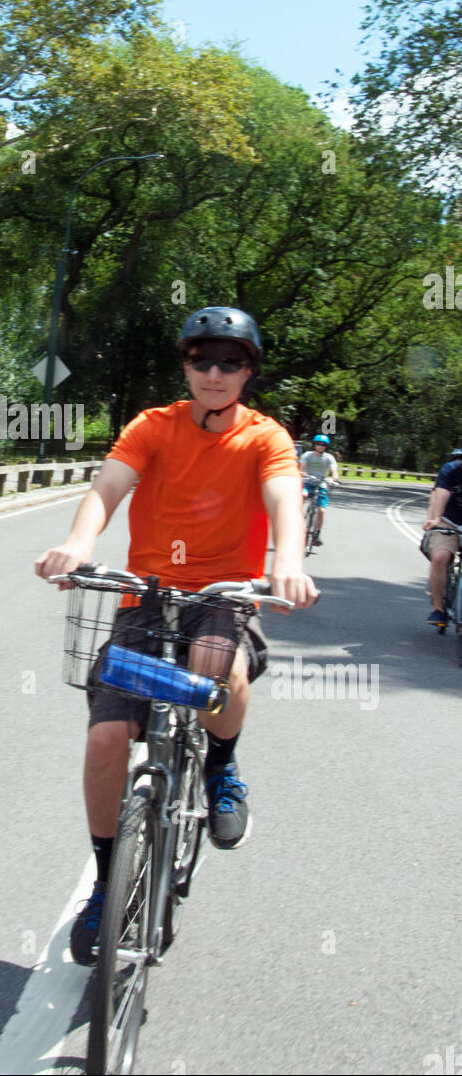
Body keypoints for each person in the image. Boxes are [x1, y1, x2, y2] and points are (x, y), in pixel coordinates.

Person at [35, 306, 318, 966]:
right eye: (201, 360)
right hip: (148, 595)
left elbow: (283, 499)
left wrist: (288, 562)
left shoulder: (264, 437)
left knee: (215, 661)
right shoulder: (152, 426)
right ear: (185, 364)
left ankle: (221, 768)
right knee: (106, 736)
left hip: (222, 595)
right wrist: (77, 545)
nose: (214, 374)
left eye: (230, 362)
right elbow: (107, 488)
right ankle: (106, 885)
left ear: (248, 371)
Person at [422, 449, 462, 626]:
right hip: (449, 521)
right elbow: (442, 494)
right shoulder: (451, 469)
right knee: (439, 558)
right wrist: (436, 518)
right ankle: (439, 609)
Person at [298, 433, 339, 546]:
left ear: (326, 446)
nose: (320, 446)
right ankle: (298, 519)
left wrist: (335, 477)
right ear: (314, 445)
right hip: (308, 482)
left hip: (321, 483)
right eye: (318, 444)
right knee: (303, 495)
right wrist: (302, 473)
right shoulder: (308, 455)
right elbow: (301, 468)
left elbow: (334, 469)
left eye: (323, 445)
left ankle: (317, 534)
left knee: (321, 510)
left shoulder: (328, 457)